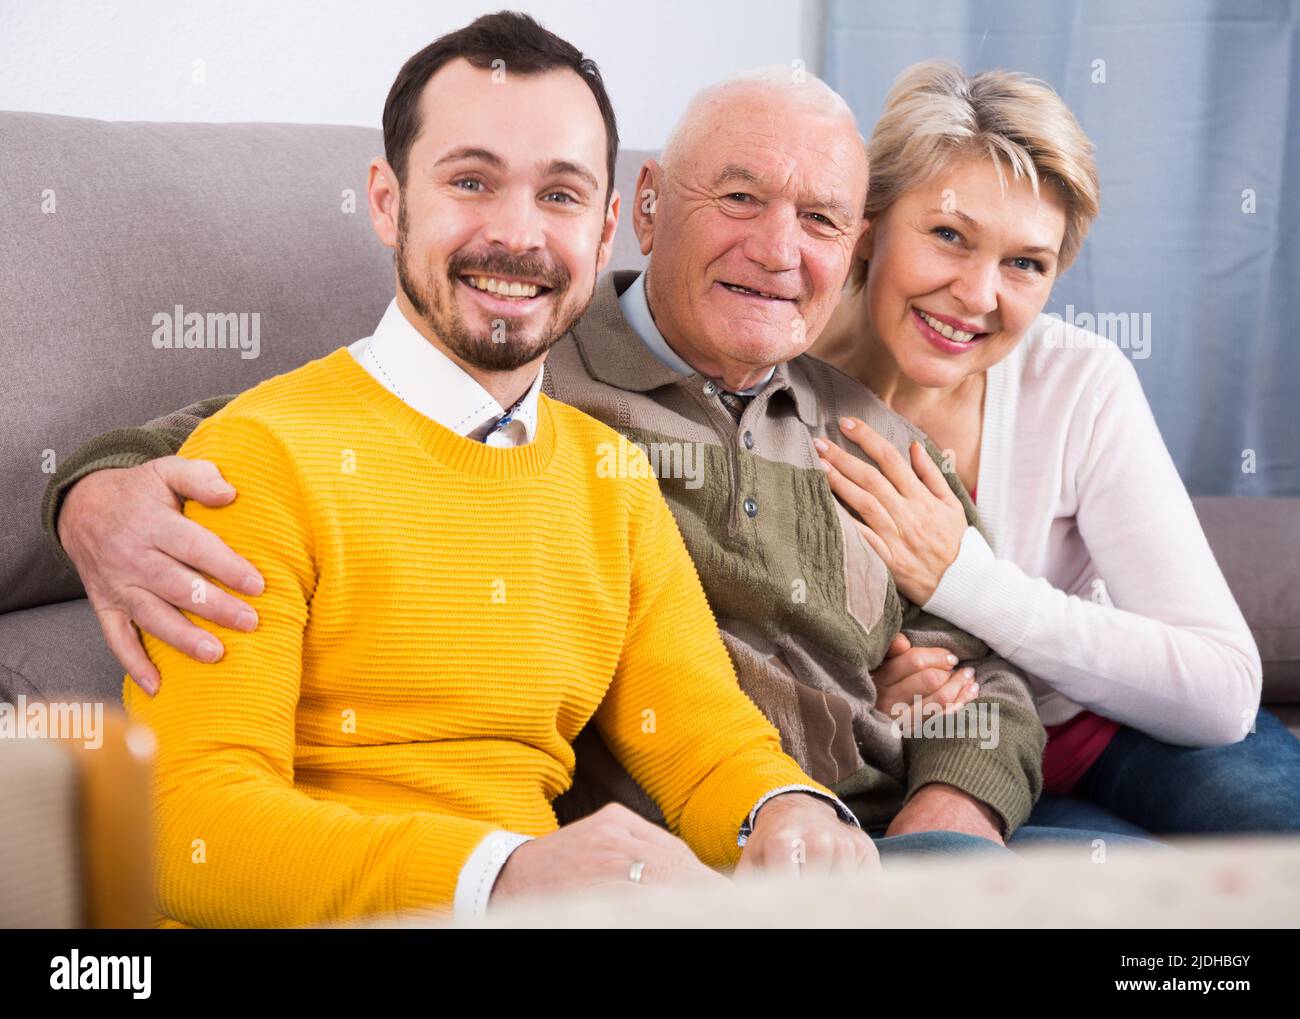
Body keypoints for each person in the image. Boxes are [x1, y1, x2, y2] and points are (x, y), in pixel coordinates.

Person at [43, 58, 1163, 858]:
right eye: (738, 199)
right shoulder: (523, 359)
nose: (778, 251)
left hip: (850, 835)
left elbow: (983, 671)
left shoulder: (866, 435)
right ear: (647, 209)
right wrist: (89, 490)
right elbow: (271, 429)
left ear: (851, 248)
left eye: (820, 220)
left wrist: (939, 809)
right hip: (639, 860)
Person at [66, 12, 883, 928]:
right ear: (387, 200)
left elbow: (706, 744)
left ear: (609, 225)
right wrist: (502, 875)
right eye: (471, 181)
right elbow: (186, 828)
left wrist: (785, 810)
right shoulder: (256, 460)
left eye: (562, 195)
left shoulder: (608, 477)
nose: (517, 235)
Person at [807, 60, 1300, 835]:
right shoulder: (774, 376)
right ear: (871, 223)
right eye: (947, 235)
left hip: (1103, 726)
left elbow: (1224, 688)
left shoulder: (1077, 382)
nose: (977, 295)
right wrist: (868, 698)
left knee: (1279, 848)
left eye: (1025, 264)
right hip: (918, 755)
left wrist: (963, 580)